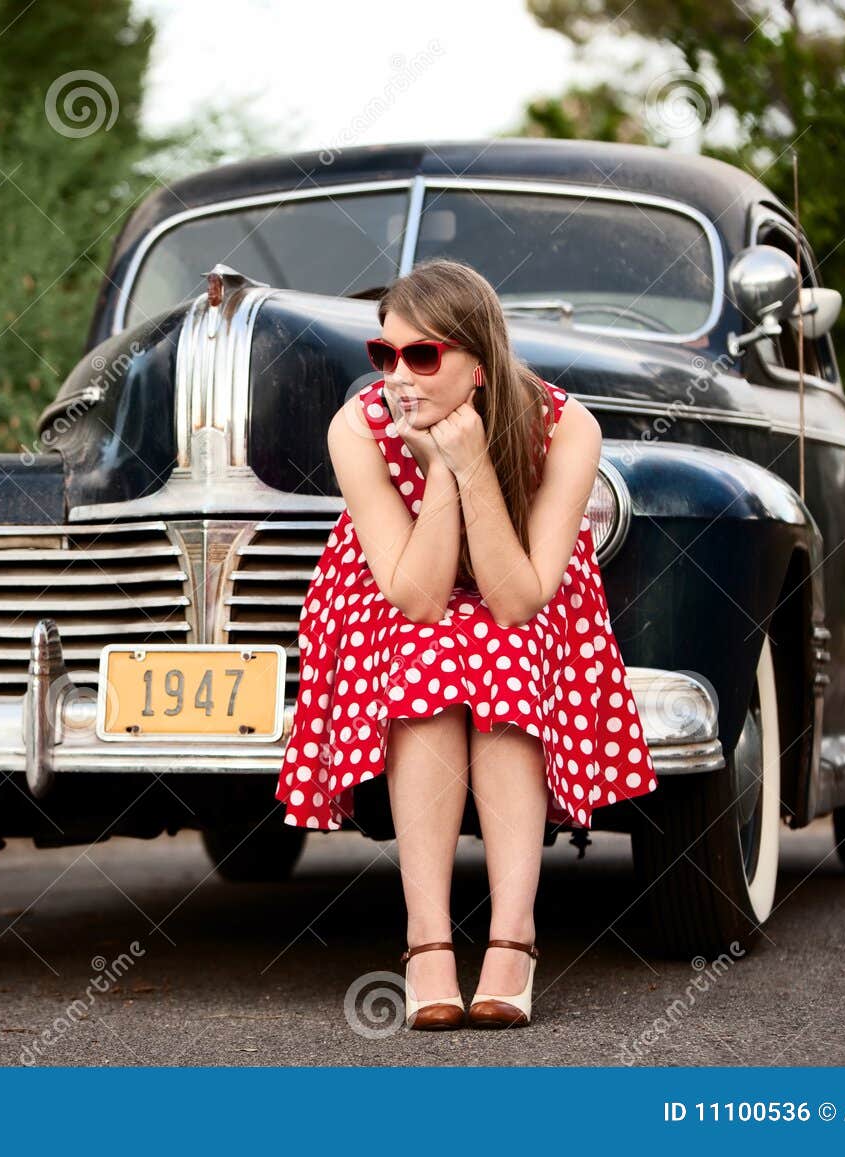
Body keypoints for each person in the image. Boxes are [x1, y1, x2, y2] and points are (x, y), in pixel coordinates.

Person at [272, 258, 657, 1030]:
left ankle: (514, 935)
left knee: (500, 649)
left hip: (524, 603)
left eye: (423, 355)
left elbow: (517, 599)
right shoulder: (358, 426)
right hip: (398, 602)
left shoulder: (566, 425)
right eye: (385, 354)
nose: (398, 376)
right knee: (431, 648)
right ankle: (428, 940)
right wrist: (438, 471)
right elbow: (414, 594)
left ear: (478, 363)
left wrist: (473, 459)